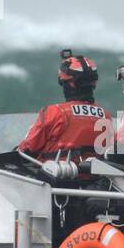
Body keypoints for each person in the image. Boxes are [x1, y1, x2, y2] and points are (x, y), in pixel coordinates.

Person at [17, 50, 107, 230]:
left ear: (69, 85)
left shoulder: (54, 113)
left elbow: (26, 150)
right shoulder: (106, 115)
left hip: (53, 193)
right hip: (89, 194)